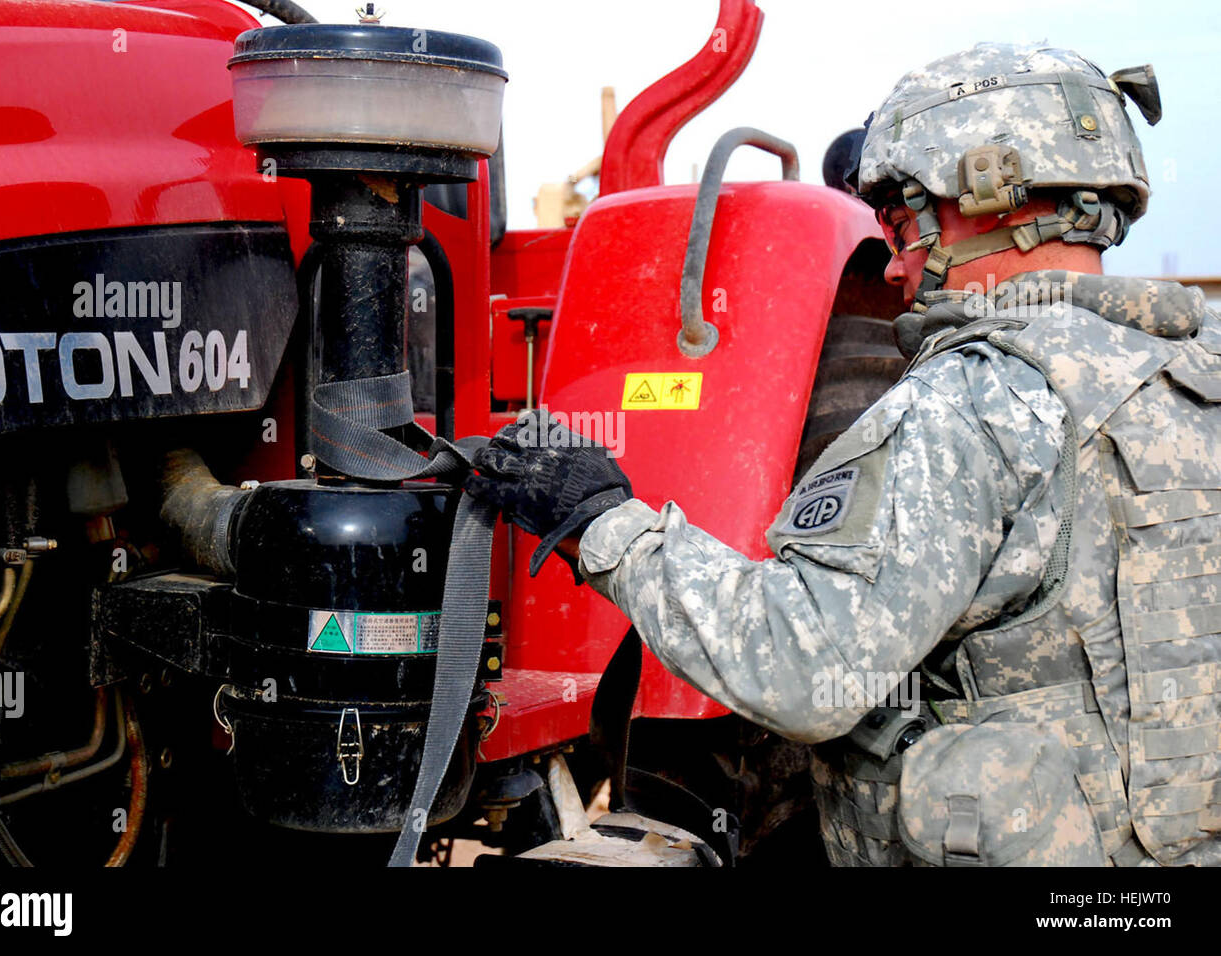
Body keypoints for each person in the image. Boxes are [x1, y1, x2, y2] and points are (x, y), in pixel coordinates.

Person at [465, 43, 1221, 867]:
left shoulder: (974, 400)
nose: (895, 266)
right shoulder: (1197, 369)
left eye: (902, 226)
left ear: (991, 193)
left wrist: (600, 522)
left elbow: (799, 668)